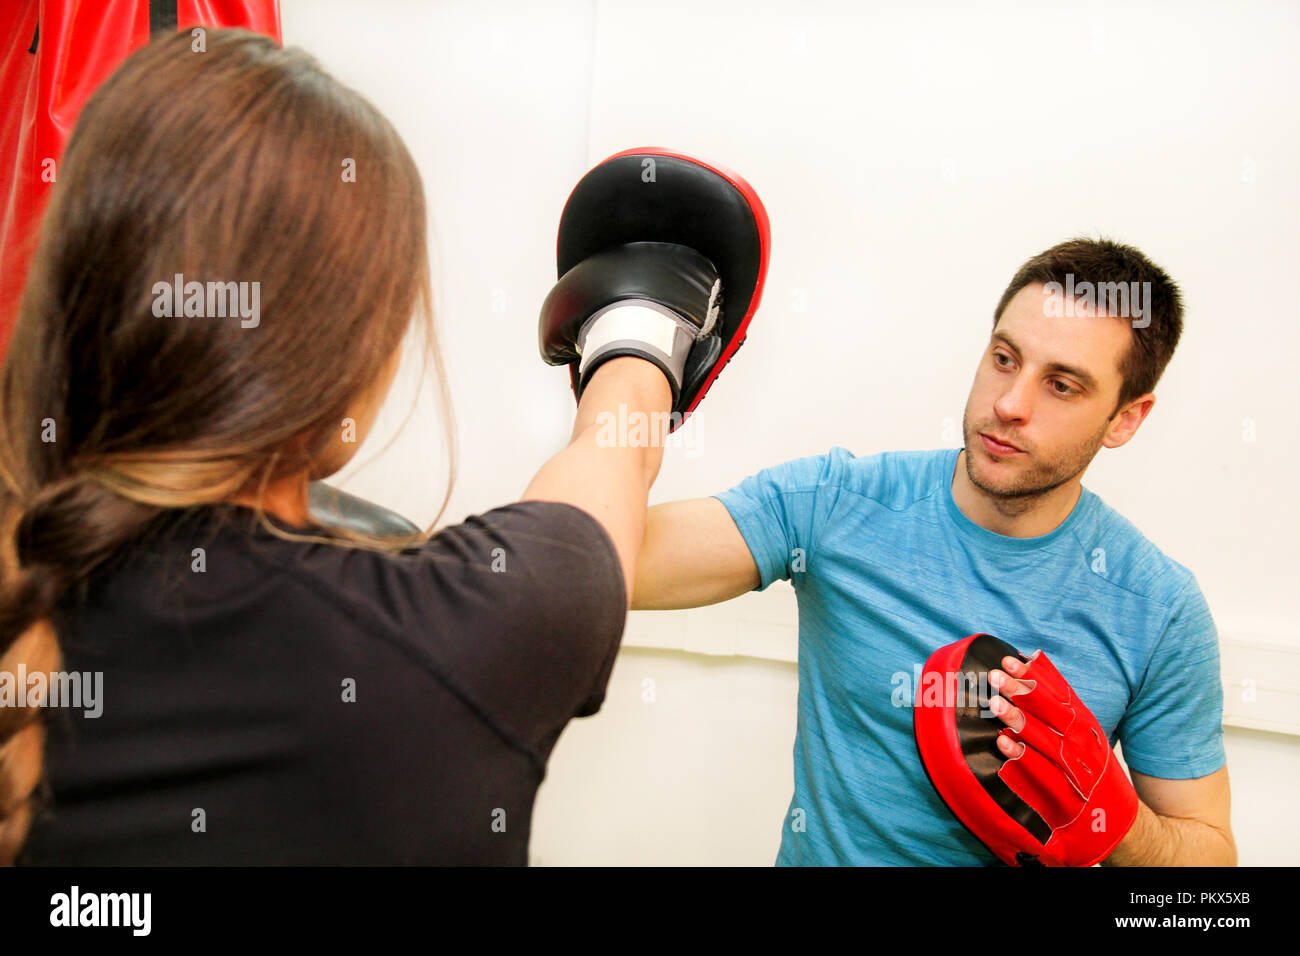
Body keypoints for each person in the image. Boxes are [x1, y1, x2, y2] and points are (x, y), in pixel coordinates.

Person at [0, 29, 758, 864]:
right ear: (358, 351)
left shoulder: (25, 599)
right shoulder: (449, 640)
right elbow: (603, 482)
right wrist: (643, 336)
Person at [633, 238, 1236, 866]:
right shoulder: (837, 504)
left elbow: (1210, 869)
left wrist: (1115, 822)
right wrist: (635, 366)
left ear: (1125, 419)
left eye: (1061, 385)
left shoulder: (1159, 609)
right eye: (1004, 359)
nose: (1009, 405)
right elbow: (598, 566)